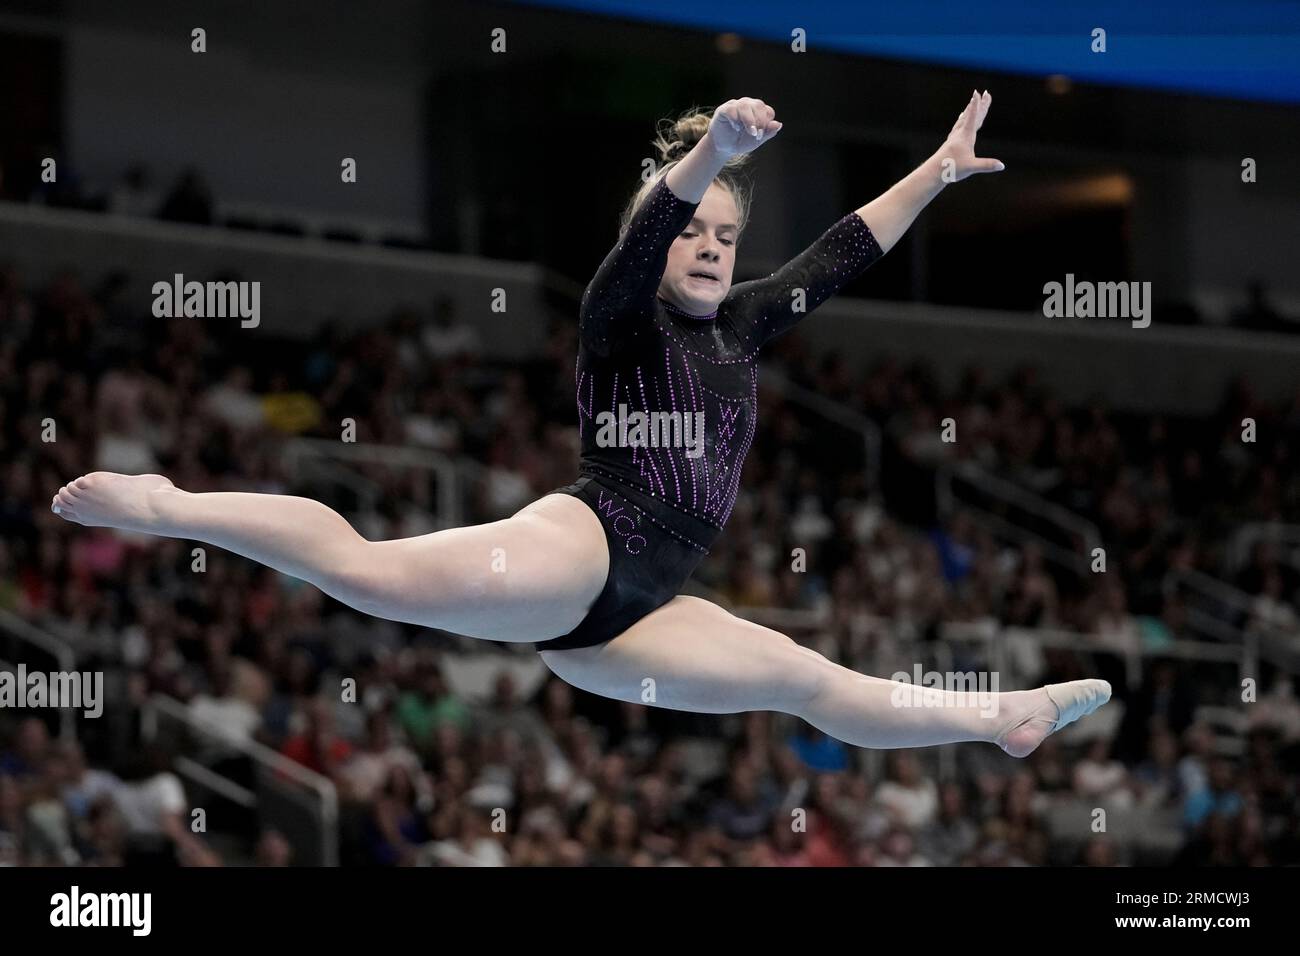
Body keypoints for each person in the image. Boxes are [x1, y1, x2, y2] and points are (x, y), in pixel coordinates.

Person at [52, 94, 1108, 758]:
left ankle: (997, 718)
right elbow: (639, 242)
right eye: (692, 227)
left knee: (806, 680)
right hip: (589, 538)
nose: (708, 245)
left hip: (632, 621)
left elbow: (838, 255)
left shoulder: (740, 328)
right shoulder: (619, 318)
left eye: (726, 234)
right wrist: (706, 156)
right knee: (370, 572)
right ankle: (171, 503)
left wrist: (934, 169)